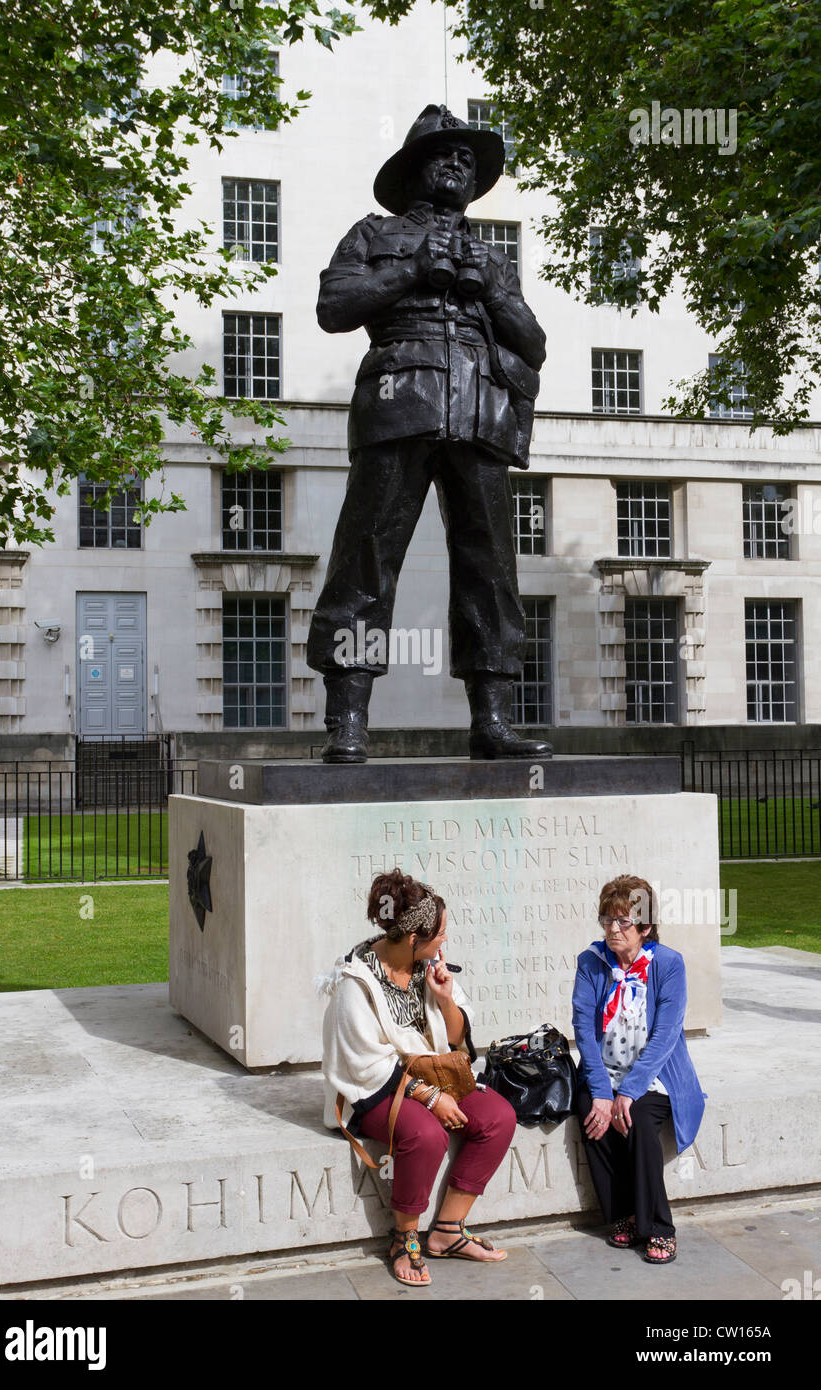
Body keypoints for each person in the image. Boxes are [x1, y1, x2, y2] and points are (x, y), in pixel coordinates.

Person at [306, 102, 551, 764]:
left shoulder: (494, 258)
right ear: (414, 169)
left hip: (481, 411)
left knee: (491, 570)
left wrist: (493, 293)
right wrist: (413, 270)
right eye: (442, 154)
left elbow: (534, 344)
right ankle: (348, 719)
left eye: (467, 160)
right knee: (366, 560)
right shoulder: (371, 234)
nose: (456, 165)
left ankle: (492, 720)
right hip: (399, 402)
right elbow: (334, 308)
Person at [319, 868, 517, 1287]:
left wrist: (445, 1001)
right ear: (414, 938)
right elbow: (364, 1067)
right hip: (372, 1091)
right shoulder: (356, 983)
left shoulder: (428, 967)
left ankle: (447, 1230)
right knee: (427, 1135)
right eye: (440, 934)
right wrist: (430, 1098)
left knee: (498, 1116)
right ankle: (403, 1236)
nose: (446, 940)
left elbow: (458, 1037)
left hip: (432, 1071)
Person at [571, 874, 706, 1265]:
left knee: (639, 1122)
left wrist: (628, 1091)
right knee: (591, 1115)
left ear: (645, 926)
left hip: (655, 1077)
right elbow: (583, 1028)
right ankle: (621, 1216)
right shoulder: (590, 963)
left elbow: (665, 1035)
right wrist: (600, 1091)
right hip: (603, 1072)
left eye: (623, 922)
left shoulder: (668, 965)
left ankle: (660, 1227)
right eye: (607, 920)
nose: (613, 929)